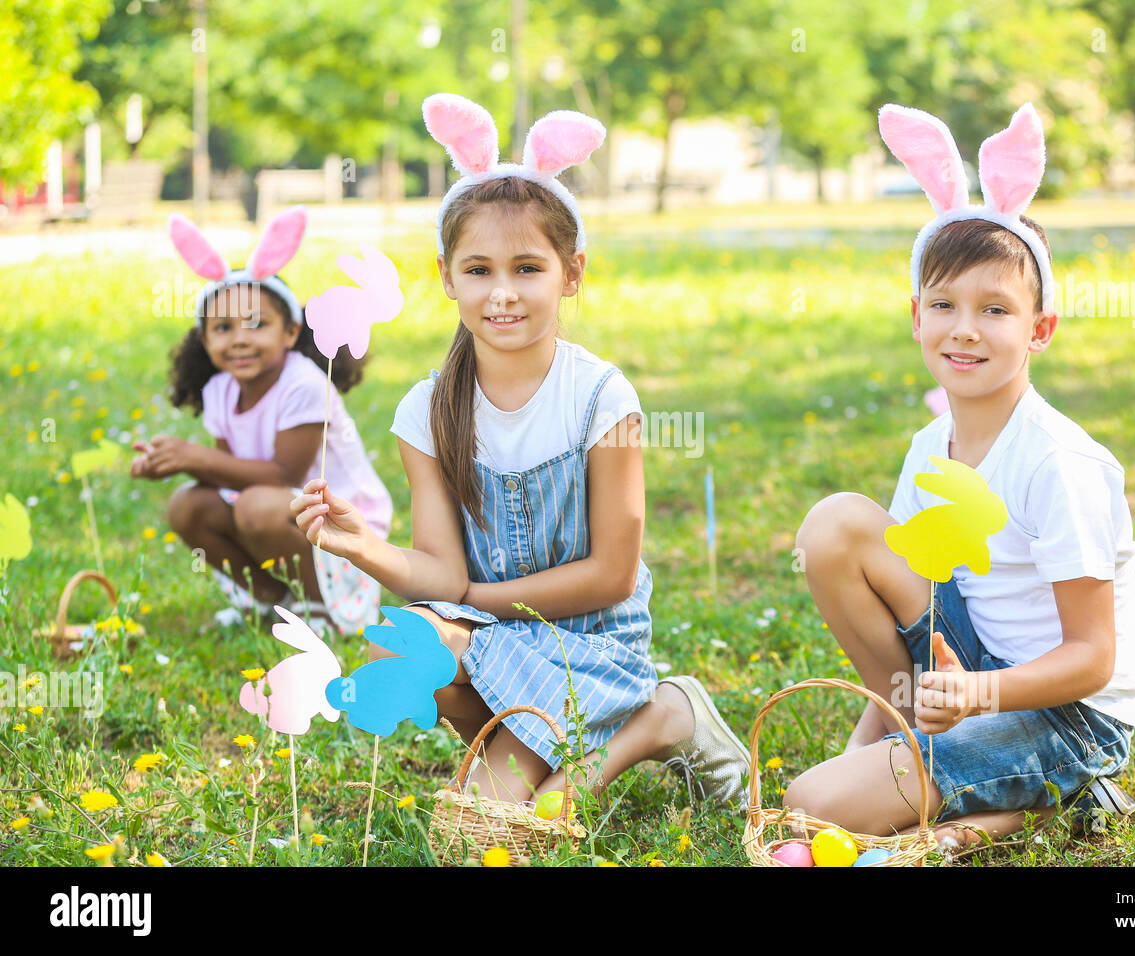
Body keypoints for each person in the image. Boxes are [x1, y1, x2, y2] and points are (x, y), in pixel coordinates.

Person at [289, 93, 749, 805]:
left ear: (572, 273)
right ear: (446, 277)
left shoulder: (603, 399)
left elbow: (612, 575)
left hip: (592, 646)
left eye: (527, 269)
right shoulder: (428, 411)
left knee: (495, 827)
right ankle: (551, 752)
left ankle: (657, 716)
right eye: (478, 271)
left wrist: (473, 607)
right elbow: (438, 571)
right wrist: (360, 548)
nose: (502, 294)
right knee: (399, 641)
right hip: (489, 635)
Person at [785, 103, 1135, 850]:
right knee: (835, 527)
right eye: (944, 304)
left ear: (1039, 329)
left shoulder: (1057, 462)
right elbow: (915, 613)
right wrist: (882, 738)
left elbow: (1093, 657)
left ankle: (1057, 801)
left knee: (810, 800)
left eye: (996, 309)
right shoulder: (930, 445)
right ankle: (933, 761)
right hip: (972, 669)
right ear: (916, 316)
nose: (965, 328)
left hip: (1069, 713)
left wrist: (978, 694)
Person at [132, 206, 393, 635]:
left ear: (290, 332)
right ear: (204, 339)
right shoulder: (219, 391)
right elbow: (227, 477)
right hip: (280, 513)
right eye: (223, 327)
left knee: (256, 506)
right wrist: (166, 462)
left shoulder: (304, 384)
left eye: (257, 324)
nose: (239, 338)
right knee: (189, 505)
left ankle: (326, 610)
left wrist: (192, 457)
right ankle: (273, 602)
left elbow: (283, 474)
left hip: (344, 535)